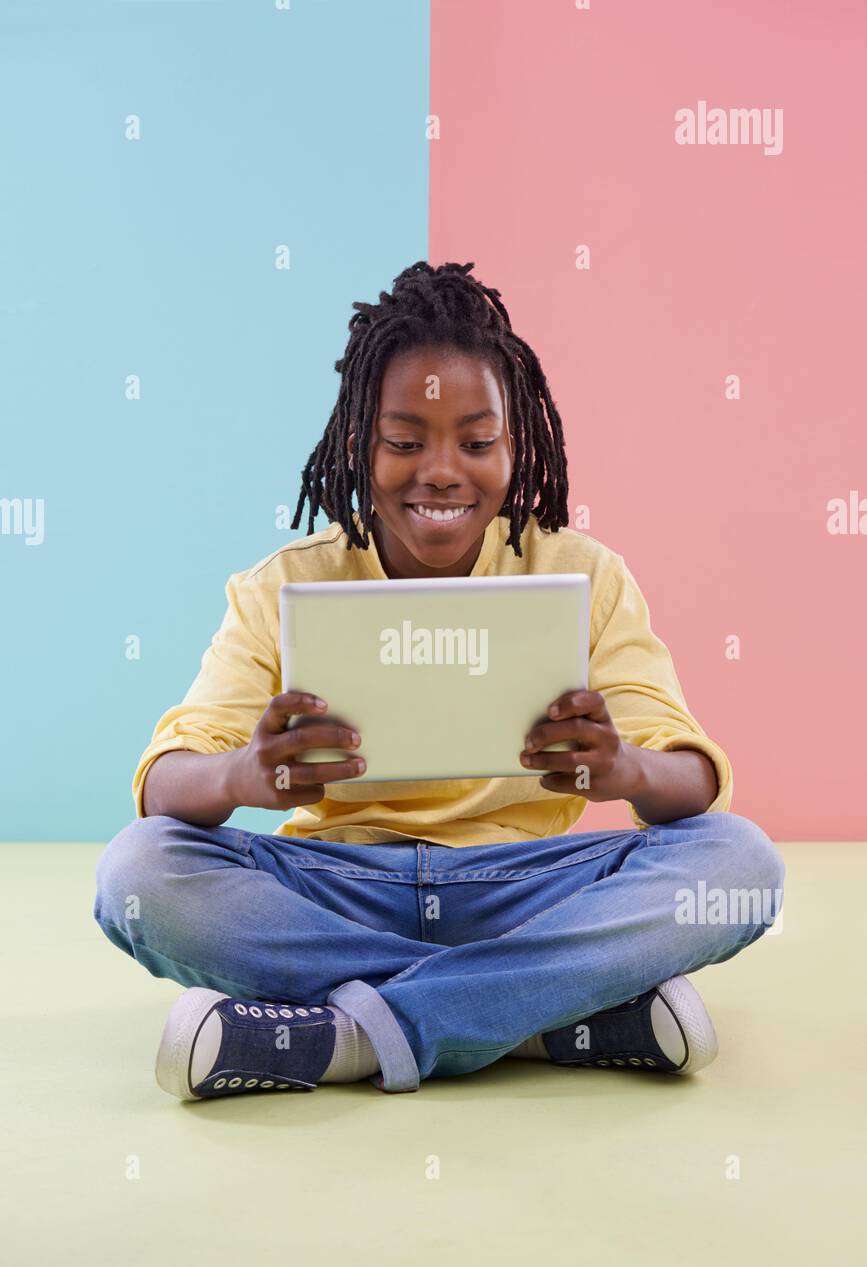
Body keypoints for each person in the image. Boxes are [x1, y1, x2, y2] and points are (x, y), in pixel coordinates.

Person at [93, 261, 784, 1101]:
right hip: (341, 887)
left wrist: (620, 768)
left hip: (525, 886)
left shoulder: (581, 574)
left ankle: (348, 1036)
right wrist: (245, 774)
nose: (443, 471)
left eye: (476, 440)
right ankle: (540, 1014)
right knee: (139, 871)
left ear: (514, 443)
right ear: (358, 445)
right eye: (405, 441)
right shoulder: (284, 586)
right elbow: (167, 784)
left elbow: (691, 785)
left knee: (739, 861)